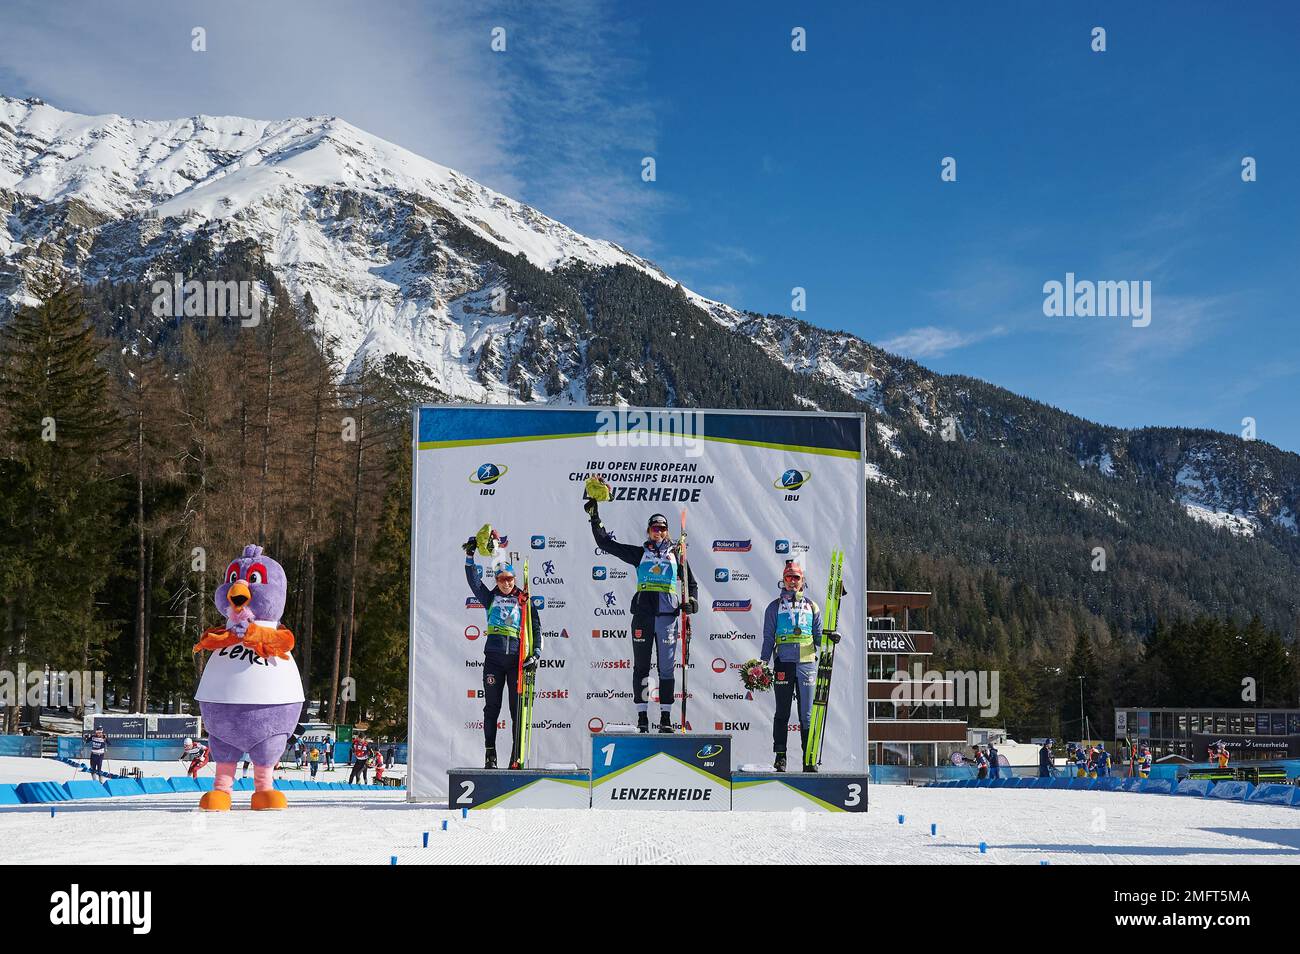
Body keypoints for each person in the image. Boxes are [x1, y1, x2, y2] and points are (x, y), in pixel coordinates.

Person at [583, 499, 698, 733]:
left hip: (667, 618)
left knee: (666, 669)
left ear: (667, 532)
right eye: (655, 528)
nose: (658, 532)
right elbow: (606, 543)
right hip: (643, 618)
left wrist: (692, 603)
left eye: (662, 529)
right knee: (641, 668)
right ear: (648, 531)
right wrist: (595, 517)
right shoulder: (640, 554)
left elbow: (691, 585)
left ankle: (665, 717)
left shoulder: (677, 555)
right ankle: (642, 717)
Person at [463, 541, 543, 768]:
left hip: (517, 661)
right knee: (492, 707)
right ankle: (490, 754)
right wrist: (470, 556)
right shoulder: (490, 598)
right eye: (501, 579)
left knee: (516, 710)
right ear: (496, 580)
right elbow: (474, 582)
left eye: (510, 579)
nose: (506, 583)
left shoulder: (524, 599)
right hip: (494, 661)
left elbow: (536, 628)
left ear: (515, 578)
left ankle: (515, 757)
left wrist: (535, 655)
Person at [759, 559, 834, 772]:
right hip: (783, 664)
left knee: (807, 714)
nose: (793, 582)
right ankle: (780, 756)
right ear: (783, 581)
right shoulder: (774, 607)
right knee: (782, 711)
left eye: (797, 578)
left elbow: (819, 638)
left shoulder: (812, 606)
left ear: (803, 581)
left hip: (807, 665)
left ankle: (808, 758)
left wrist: (831, 639)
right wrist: (763, 664)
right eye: (789, 578)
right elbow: (768, 638)